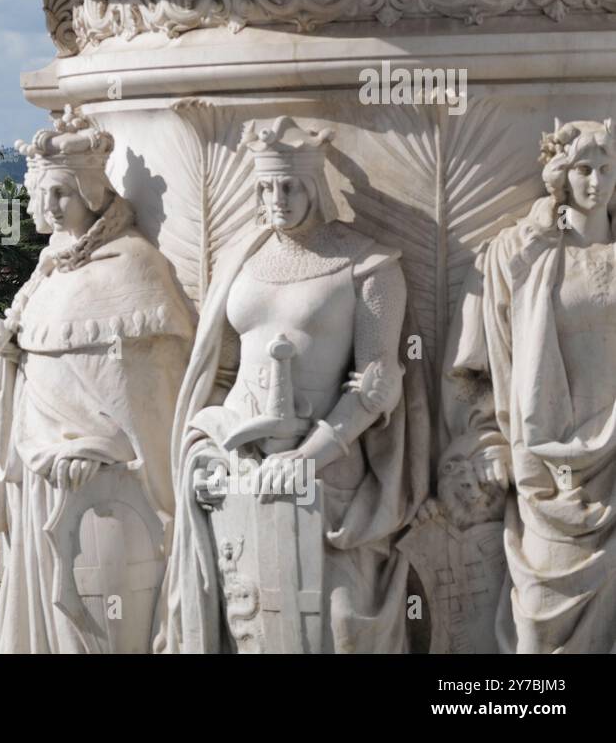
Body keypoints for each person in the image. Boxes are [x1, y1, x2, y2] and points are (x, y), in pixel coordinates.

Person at [155, 116, 428, 653]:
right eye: (265, 187)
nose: (276, 198)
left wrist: (308, 457)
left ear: (314, 187)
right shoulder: (242, 261)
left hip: (331, 471)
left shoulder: (367, 265)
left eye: (289, 186)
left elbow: (376, 386)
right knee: (249, 618)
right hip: (241, 469)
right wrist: (210, 451)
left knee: (337, 626)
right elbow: (220, 371)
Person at [0, 106, 193, 653]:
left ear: (94, 192)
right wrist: (9, 348)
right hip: (41, 471)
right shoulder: (51, 265)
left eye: (63, 194)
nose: (50, 208)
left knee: (101, 616)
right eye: (41, 194)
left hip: (106, 482)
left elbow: (145, 392)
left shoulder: (136, 267)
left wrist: (103, 444)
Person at [446, 118, 616, 652]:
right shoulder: (518, 255)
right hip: (548, 464)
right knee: (540, 617)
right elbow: (472, 375)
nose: (595, 181)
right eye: (584, 169)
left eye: (606, 169)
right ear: (562, 176)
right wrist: (483, 444)